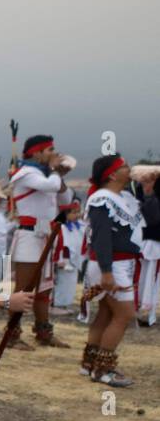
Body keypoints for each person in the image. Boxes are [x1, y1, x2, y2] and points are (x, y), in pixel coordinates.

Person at [7, 134, 74, 349]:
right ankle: (12, 334)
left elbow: (66, 199)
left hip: (45, 236)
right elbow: (48, 187)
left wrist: (59, 175)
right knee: (24, 288)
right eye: (49, 150)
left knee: (44, 289)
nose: (53, 153)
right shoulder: (26, 173)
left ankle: (43, 332)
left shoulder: (47, 175)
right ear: (36, 152)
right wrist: (55, 172)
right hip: (29, 235)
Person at [81, 154, 142, 386]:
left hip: (118, 264)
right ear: (113, 174)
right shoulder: (102, 198)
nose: (130, 169)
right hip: (111, 264)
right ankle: (103, 370)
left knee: (106, 313)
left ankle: (89, 365)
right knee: (124, 315)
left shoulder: (124, 196)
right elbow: (102, 236)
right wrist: (107, 272)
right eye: (124, 166)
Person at [135, 168, 160, 327]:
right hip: (153, 241)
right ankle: (145, 311)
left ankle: (147, 310)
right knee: (149, 277)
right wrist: (148, 191)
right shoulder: (146, 193)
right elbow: (152, 218)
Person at [53, 199, 85, 312]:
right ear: (65, 214)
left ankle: (67, 303)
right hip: (65, 260)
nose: (77, 215)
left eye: (78, 212)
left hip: (74, 259)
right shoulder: (61, 227)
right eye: (74, 212)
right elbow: (61, 244)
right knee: (62, 282)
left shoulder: (78, 226)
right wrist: (60, 259)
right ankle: (58, 304)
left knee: (71, 283)